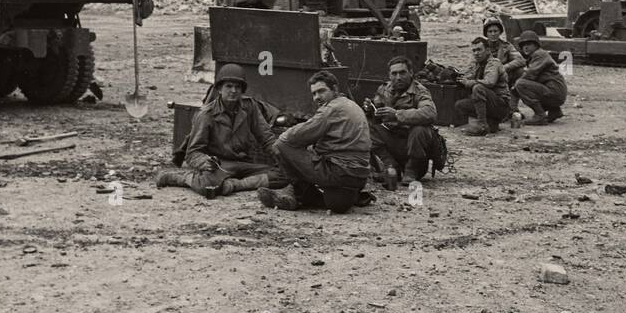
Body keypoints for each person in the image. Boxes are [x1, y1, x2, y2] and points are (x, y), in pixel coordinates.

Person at [156, 63, 279, 199]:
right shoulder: (206, 114)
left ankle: (235, 185)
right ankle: (181, 177)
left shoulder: (250, 107)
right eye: (228, 86)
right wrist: (206, 162)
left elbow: (267, 138)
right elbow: (193, 152)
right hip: (219, 165)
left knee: (284, 176)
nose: (233, 91)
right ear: (219, 88)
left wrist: (281, 157)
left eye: (238, 87)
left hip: (244, 163)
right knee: (208, 187)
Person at [260, 71, 373, 213]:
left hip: (340, 172)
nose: (317, 97)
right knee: (336, 203)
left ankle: (301, 193)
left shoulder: (331, 109)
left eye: (321, 91)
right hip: (359, 175)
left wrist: (282, 142)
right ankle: (305, 194)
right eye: (314, 94)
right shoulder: (351, 105)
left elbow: (294, 137)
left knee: (282, 145)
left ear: (335, 89)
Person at [368, 56, 442, 189]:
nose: (398, 77)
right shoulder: (384, 89)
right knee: (367, 127)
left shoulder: (420, 91)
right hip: (395, 142)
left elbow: (430, 113)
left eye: (402, 72)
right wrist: (370, 109)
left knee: (420, 129)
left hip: (415, 150)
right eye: (394, 73)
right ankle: (391, 167)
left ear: (411, 73)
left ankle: (411, 171)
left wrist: (397, 114)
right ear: (389, 75)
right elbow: (377, 113)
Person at [455, 37, 512, 135]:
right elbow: (468, 74)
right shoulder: (477, 64)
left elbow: (490, 82)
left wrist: (470, 82)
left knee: (478, 88)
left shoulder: (494, 63)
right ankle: (491, 123)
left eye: (479, 50)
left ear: (488, 50)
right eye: (474, 50)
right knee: (460, 105)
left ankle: (482, 126)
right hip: (491, 103)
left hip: (501, 105)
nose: (476, 53)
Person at [514, 30, 568, 125]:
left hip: (554, 91)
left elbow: (530, 74)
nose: (525, 47)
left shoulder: (539, 54)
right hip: (556, 91)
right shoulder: (535, 56)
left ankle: (540, 115)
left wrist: (514, 87)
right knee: (523, 83)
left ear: (536, 45)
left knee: (520, 85)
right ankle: (554, 111)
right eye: (523, 45)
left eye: (529, 44)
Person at [481, 17, 525, 124]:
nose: (493, 34)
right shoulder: (481, 46)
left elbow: (520, 60)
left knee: (521, 72)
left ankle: (512, 107)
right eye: (490, 31)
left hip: (502, 79)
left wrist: (503, 68)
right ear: (486, 33)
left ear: (500, 32)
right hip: (485, 78)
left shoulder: (506, 46)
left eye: (495, 31)